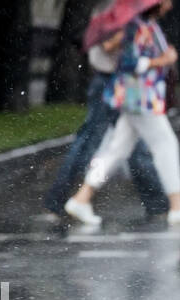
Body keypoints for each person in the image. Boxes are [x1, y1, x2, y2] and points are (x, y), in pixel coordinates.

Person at [64, 0, 180, 227]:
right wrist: (162, 60)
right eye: (166, 2)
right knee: (166, 144)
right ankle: (177, 205)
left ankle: (82, 197)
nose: (170, 6)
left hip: (141, 95)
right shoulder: (136, 26)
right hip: (138, 97)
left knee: (117, 151)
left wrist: (164, 57)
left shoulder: (149, 25)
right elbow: (130, 63)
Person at [43, 11, 170, 220]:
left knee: (131, 144)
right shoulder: (114, 15)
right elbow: (108, 45)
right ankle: (59, 201)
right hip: (108, 83)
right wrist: (131, 35)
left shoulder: (127, 16)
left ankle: (158, 204)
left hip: (123, 84)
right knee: (90, 143)